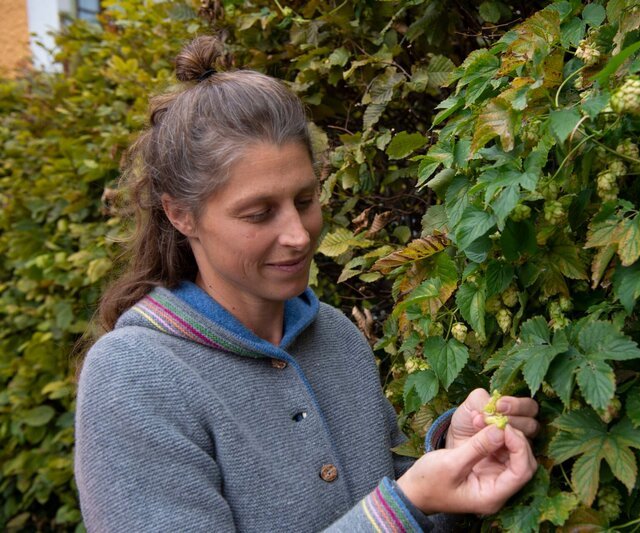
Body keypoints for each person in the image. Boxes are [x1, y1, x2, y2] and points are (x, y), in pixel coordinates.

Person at [74, 35, 539, 532]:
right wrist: (402, 506)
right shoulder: (134, 379)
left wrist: (459, 458)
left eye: (304, 200)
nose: (298, 236)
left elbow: (395, 504)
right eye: (259, 213)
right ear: (181, 214)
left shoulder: (334, 337)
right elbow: (391, 512)